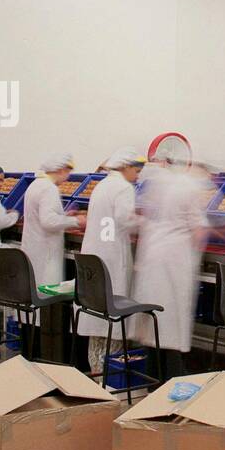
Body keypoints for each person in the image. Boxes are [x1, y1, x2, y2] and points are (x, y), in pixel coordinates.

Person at [132, 151, 208, 379]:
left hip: (153, 256)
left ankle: (153, 378)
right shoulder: (190, 188)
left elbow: (143, 217)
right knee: (172, 324)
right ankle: (171, 380)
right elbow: (198, 231)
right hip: (175, 261)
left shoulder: (159, 185)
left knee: (155, 322)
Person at [78, 148, 145, 374]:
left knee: (97, 318)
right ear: (125, 167)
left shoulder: (102, 185)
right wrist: (148, 225)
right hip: (112, 257)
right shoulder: (124, 187)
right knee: (113, 319)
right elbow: (124, 219)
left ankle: (97, 370)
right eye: (135, 170)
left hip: (94, 255)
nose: (137, 175)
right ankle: (111, 374)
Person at [21, 154, 85, 287]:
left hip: (34, 247)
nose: (68, 177)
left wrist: (65, 215)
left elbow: (43, 214)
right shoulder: (49, 188)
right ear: (61, 170)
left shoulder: (35, 185)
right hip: (45, 252)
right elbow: (48, 221)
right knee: (45, 290)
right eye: (68, 172)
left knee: (33, 289)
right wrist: (76, 221)